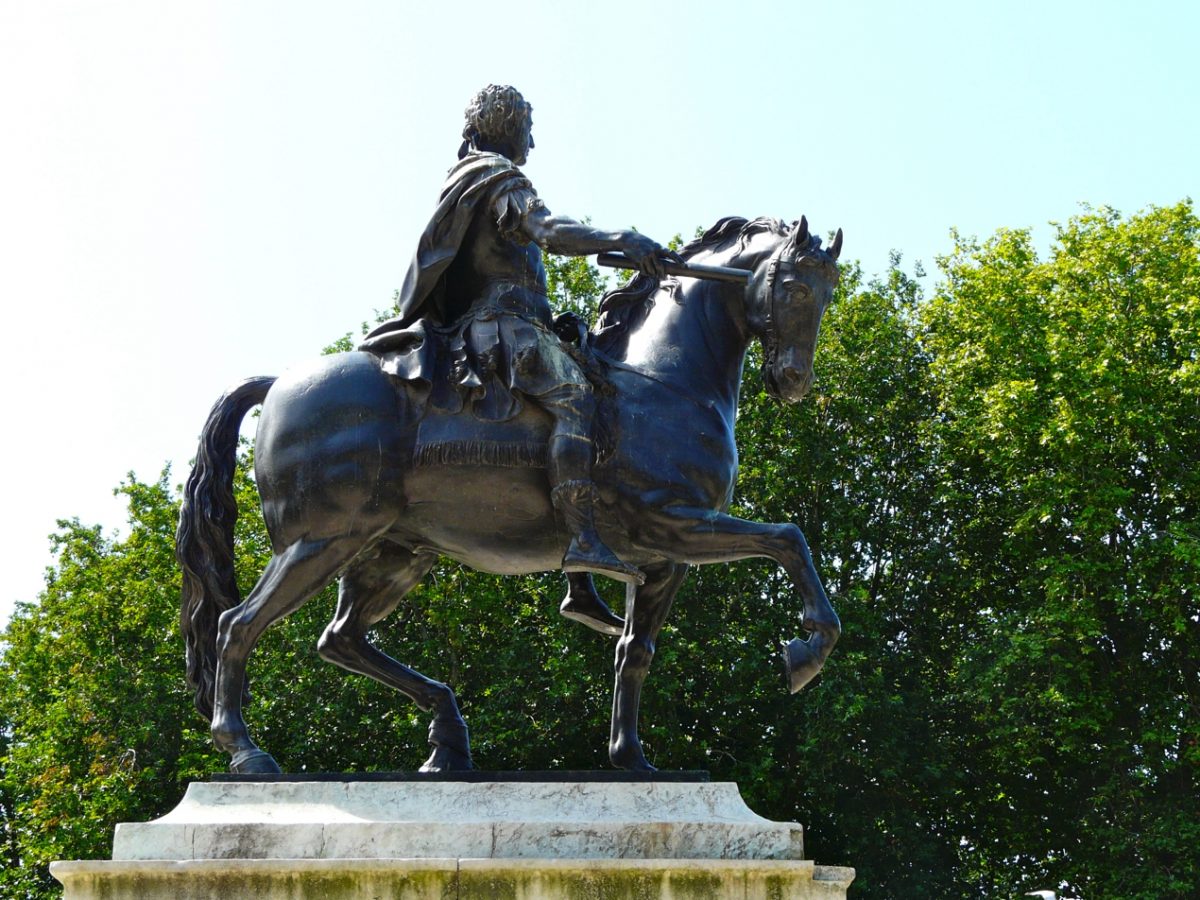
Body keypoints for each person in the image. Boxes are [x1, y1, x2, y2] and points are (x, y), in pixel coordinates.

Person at [362, 84, 675, 588]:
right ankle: (583, 542)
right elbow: (547, 231)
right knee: (576, 398)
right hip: (502, 327)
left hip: (515, 324)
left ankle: (582, 579)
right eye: (528, 125)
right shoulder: (499, 177)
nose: (532, 138)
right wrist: (621, 239)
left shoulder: (469, 179)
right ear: (507, 125)